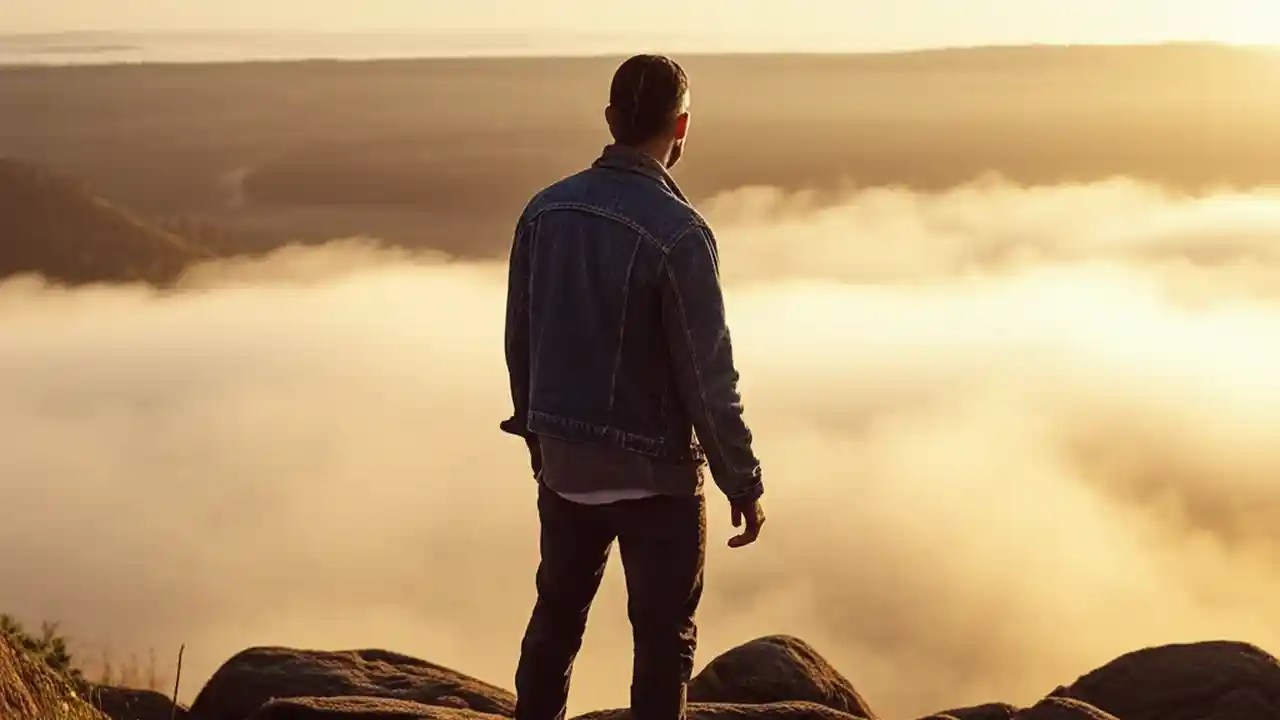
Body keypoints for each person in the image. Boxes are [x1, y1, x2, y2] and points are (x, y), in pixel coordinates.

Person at [501, 54, 765, 720]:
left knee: (555, 620)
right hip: (657, 479)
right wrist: (743, 481)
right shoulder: (680, 234)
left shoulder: (543, 213)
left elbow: (521, 341)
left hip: (564, 467)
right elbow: (708, 376)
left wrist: (538, 438)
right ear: (681, 127)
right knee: (662, 642)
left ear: (612, 120)